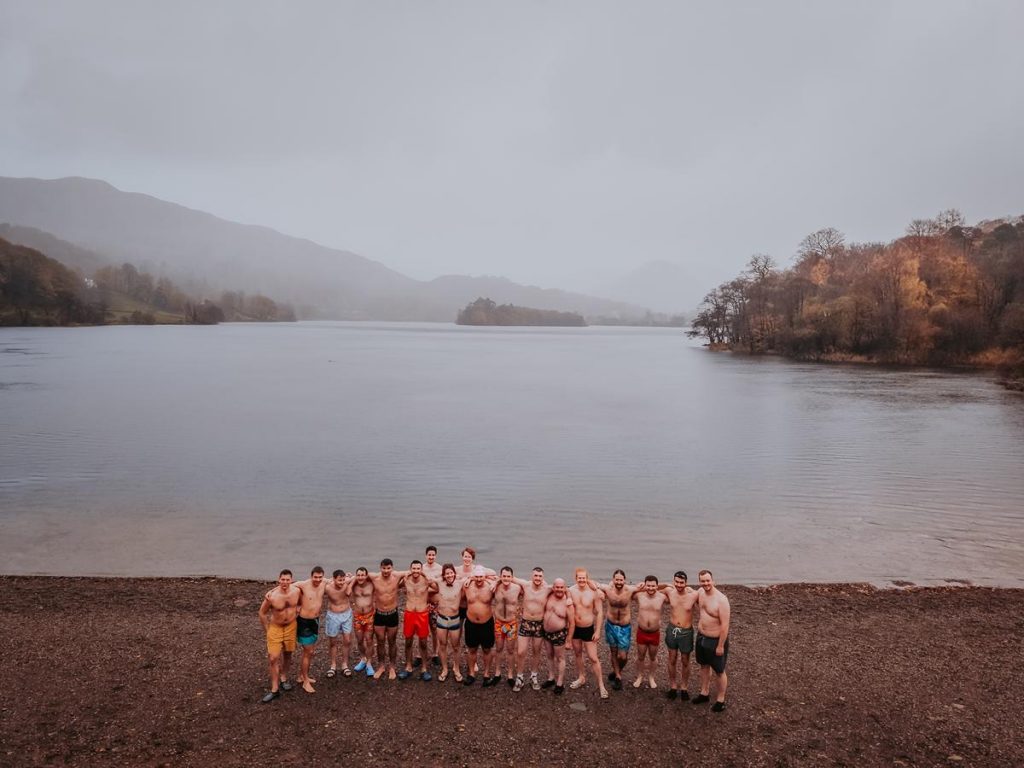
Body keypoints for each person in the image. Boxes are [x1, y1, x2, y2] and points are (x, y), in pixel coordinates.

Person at [591, 569, 642, 691]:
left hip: (625, 628)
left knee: (623, 656)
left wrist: (667, 585)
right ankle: (618, 676)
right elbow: (590, 582)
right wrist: (597, 589)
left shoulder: (630, 590)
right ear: (613, 580)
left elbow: (651, 587)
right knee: (613, 652)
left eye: (621, 579)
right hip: (611, 626)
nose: (619, 582)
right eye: (616, 579)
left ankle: (617, 670)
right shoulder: (608, 589)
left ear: (624, 580)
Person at [257, 569, 301, 703]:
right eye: (283, 579)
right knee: (273, 658)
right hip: (275, 628)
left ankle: (284, 677)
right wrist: (267, 630)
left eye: (288, 580)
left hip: (291, 626)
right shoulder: (272, 596)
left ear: (291, 580)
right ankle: (274, 689)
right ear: (279, 580)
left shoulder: (297, 591)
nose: (285, 582)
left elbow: (310, 587)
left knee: (288, 654)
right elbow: (262, 613)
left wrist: (298, 609)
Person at [693, 569, 730, 712]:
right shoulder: (700, 593)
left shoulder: (721, 600)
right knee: (703, 665)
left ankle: (721, 700)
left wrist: (720, 645)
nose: (706, 583)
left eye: (708, 580)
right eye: (703, 581)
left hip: (715, 640)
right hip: (701, 636)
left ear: (713, 581)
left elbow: (725, 625)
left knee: (719, 670)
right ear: (699, 582)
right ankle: (704, 693)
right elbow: (686, 593)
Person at [568, 568, 608, 699]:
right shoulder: (571, 591)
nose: (581, 580)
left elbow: (600, 612)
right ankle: (581, 677)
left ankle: (601, 685)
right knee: (578, 653)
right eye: (579, 578)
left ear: (587, 578)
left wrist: (597, 631)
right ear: (576, 578)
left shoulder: (593, 592)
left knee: (593, 658)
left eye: (583, 578)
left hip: (588, 628)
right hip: (575, 629)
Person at [368, 558, 408, 681]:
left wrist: (405, 579)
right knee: (380, 641)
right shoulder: (374, 577)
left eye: (388, 568)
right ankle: (381, 666)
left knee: (392, 641)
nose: (386, 571)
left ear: (392, 568)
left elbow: (411, 571)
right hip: (379, 614)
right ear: (380, 568)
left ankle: (392, 666)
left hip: (392, 614)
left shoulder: (396, 576)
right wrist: (347, 577)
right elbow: (359, 575)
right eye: (384, 568)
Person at [662, 570, 699, 700]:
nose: (679, 585)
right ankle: (673, 686)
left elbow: (706, 597)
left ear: (686, 582)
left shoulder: (693, 594)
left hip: (686, 631)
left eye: (681, 582)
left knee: (685, 660)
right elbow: (653, 587)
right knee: (672, 659)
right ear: (673, 581)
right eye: (676, 582)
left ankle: (684, 687)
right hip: (672, 629)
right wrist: (667, 584)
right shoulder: (669, 591)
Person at [514, 567, 552, 691]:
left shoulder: (547, 589)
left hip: (539, 625)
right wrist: (496, 582)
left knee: (536, 651)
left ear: (543, 577)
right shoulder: (525, 585)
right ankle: (519, 677)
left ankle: (533, 676)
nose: (538, 578)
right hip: (525, 623)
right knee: (521, 652)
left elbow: (564, 588)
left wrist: (568, 598)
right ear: (532, 576)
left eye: (540, 576)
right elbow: (508, 577)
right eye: (535, 575)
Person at [398, 560, 436, 681]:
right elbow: (396, 586)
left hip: (422, 614)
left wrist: (429, 578)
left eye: (418, 568)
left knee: (423, 643)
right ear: (410, 569)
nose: (415, 571)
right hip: (409, 614)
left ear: (421, 569)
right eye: (413, 568)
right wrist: (401, 578)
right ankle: (408, 667)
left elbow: (437, 589)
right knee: (408, 642)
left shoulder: (425, 581)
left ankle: (424, 668)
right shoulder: (406, 580)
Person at [293, 566, 327, 693]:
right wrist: (297, 604)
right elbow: (286, 586)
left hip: (315, 621)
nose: (317, 579)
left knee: (310, 652)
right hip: (304, 622)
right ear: (311, 575)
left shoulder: (324, 582)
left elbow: (338, 580)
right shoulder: (303, 584)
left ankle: (301, 676)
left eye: (320, 577)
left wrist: (350, 576)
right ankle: (305, 681)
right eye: (315, 577)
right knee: (309, 651)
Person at [462, 565, 497, 686]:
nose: (478, 579)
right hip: (471, 622)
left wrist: (493, 581)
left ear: (485, 576)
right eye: (476, 576)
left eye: (481, 576)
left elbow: (502, 577)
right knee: (472, 649)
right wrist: (469, 578)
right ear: (473, 576)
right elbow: (453, 577)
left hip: (486, 622)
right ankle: (471, 674)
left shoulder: (491, 586)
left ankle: (486, 674)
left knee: (487, 649)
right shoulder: (467, 585)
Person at [633, 575, 668, 689]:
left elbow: (672, 589)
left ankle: (651, 677)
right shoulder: (639, 595)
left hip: (654, 633)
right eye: (648, 585)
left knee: (653, 657)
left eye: (653, 586)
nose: (651, 588)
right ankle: (640, 676)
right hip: (641, 632)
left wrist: (663, 585)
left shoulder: (662, 597)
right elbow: (629, 591)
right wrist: (640, 587)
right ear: (645, 585)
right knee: (640, 656)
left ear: (657, 586)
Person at [541, 578, 574, 694]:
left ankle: (560, 683)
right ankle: (551, 678)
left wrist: (569, 640)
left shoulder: (568, 602)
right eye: (557, 587)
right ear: (553, 587)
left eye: (561, 587)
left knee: (560, 658)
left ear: (565, 588)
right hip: (546, 633)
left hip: (559, 634)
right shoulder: (549, 595)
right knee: (549, 656)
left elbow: (572, 623)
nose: (559, 589)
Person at [433, 563, 465, 682]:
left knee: (456, 646)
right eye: (447, 573)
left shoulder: (460, 583)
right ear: (444, 575)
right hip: (441, 618)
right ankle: (445, 669)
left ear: (454, 573)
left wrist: (495, 581)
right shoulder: (439, 582)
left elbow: (475, 576)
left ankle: (456, 668)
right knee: (442, 645)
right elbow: (428, 578)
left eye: (451, 573)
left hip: (454, 619)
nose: (449, 575)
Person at [492, 566, 522, 688]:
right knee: (498, 648)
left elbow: (532, 586)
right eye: (503, 576)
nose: (506, 578)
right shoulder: (495, 587)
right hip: (499, 623)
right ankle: (497, 673)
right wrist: (496, 581)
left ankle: (510, 675)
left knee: (510, 650)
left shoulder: (518, 588)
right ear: (500, 576)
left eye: (508, 576)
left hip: (511, 624)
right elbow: (485, 575)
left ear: (512, 577)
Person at [344, 567, 376, 678]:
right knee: (360, 640)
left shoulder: (371, 584)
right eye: (358, 575)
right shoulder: (354, 585)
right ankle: (363, 658)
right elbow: (347, 592)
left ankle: (369, 663)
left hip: (369, 616)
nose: (361, 577)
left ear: (366, 575)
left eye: (363, 575)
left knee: (369, 640)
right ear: (356, 575)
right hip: (358, 617)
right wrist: (352, 580)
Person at [324, 569, 354, 678]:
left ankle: (345, 664)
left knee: (347, 640)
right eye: (339, 580)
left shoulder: (347, 582)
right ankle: (333, 665)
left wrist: (349, 580)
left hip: (346, 614)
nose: (341, 582)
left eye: (343, 580)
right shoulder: (328, 587)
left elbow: (356, 577)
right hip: (333, 615)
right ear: (333, 579)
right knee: (333, 642)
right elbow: (315, 588)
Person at [422, 545, 443, 667]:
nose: (431, 557)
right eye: (429, 555)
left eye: (433, 555)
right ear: (426, 555)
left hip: (435, 604)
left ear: (435, 555)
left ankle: (435, 653)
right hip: (423, 604)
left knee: (435, 630)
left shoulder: (439, 569)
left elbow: (440, 587)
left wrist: (428, 589)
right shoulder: (422, 568)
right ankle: (420, 655)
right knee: (421, 631)